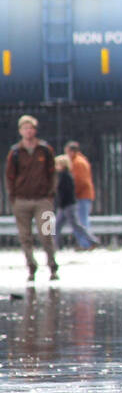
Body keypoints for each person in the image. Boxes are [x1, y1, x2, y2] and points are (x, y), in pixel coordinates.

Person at [5, 115, 58, 282]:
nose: (29, 131)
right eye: (25, 128)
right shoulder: (15, 152)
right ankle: (31, 266)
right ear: (20, 131)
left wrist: (51, 194)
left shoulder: (45, 150)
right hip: (22, 200)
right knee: (25, 237)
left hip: (43, 199)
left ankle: (52, 265)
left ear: (35, 130)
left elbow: (52, 173)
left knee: (46, 234)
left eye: (31, 128)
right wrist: (12, 196)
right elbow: (9, 176)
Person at [54, 154, 100, 251]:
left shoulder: (65, 176)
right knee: (59, 225)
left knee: (74, 225)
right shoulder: (65, 175)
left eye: (57, 165)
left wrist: (60, 202)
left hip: (67, 205)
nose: (56, 167)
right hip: (65, 205)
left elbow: (66, 192)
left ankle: (92, 240)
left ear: (62, 165)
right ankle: (53, 244)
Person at [64, 141, 97, 248]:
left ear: (72, 152)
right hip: (84, 195)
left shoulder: (78, 163)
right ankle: (85, 243)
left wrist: (73, 194)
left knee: (81, 221)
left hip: (81, 196)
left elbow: (80, 181)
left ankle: (86, 244)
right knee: (81, 220)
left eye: (67, 152)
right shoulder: (80, 161)